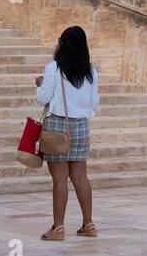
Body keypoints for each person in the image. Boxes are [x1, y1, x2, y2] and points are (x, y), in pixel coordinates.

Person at [34, 25, 100, 241]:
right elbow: (94, 102)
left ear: (62, 44)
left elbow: (43, 98)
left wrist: (40, 85)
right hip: (81, 126)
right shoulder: (90, 72)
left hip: (57, 126)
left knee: (60, 179)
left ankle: (58, 228)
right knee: (81, 177)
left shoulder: (53, 68)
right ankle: (88, 224)